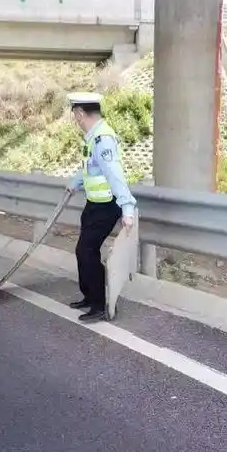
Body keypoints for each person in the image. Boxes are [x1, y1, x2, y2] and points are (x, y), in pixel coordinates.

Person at [64, 92, 137, 322]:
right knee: (83, 251)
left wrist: (127, 209)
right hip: (94, 204)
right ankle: (90, 297)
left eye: (75, 114)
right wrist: (75, 183)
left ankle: (98, 304)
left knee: (86, 251)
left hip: (107, 205)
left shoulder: (102, 139)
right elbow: (91, 167)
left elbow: (115, 176)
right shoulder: (93, 137)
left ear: (80, 113)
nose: (75, 118)